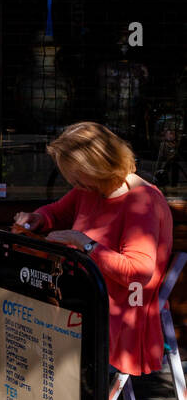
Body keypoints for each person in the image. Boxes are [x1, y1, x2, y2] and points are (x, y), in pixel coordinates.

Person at [13, 121, 172, 378]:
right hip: (79, 299)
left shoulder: (143, 202)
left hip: (115, 310)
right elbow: (57, 211)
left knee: (30, 327)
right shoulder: (91, 189)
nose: (73, 182)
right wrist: (37, 218)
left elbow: (138, 274)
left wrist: (84, 243)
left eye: (77, 176)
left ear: (98, 166)